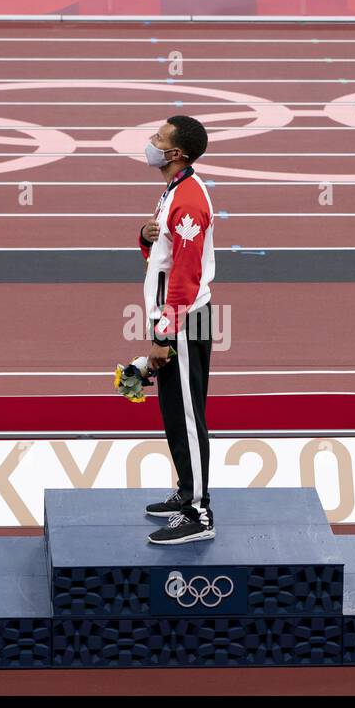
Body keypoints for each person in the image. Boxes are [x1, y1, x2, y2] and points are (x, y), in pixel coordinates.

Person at [135, 116, 216, 545]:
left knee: (186, 417)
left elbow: (184, 275)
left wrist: (164, 336)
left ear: (176, 153)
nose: (150, 142)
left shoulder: (188, 200)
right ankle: (187, 491)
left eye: (158, 139)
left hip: (185, 319)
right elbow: (165, 257)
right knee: (173, 412)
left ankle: (199, 512)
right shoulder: (175, 188)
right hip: (179, 316)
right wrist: (146, 237)